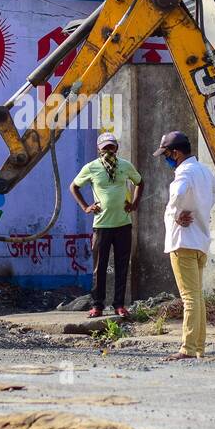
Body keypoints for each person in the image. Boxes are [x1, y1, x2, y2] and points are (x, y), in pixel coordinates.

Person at [153, 131, 215, 361]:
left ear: (177, 152)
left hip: (182, 241)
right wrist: (199, 209)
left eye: (167, 154)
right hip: (199, 240)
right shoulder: (202, 170)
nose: (166, 158)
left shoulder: (183, 173)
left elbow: (177, 195)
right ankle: (198, 348)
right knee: (197, 297)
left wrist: (175, 214)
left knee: (189, 298)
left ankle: (188, 349)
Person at [71, 132, 144, 318]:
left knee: (122, 266)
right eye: (105, 148)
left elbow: (140, 182)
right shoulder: (91, 168)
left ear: (116, 148)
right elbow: (74, 187)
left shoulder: (125, 166)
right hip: (102, 225)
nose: (108, 151)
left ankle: (119, 304)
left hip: (123, 224)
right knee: (99, 267)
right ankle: (97, 305)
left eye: (111, 147)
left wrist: (134, 203)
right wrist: (86, 207)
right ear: (99, 149)